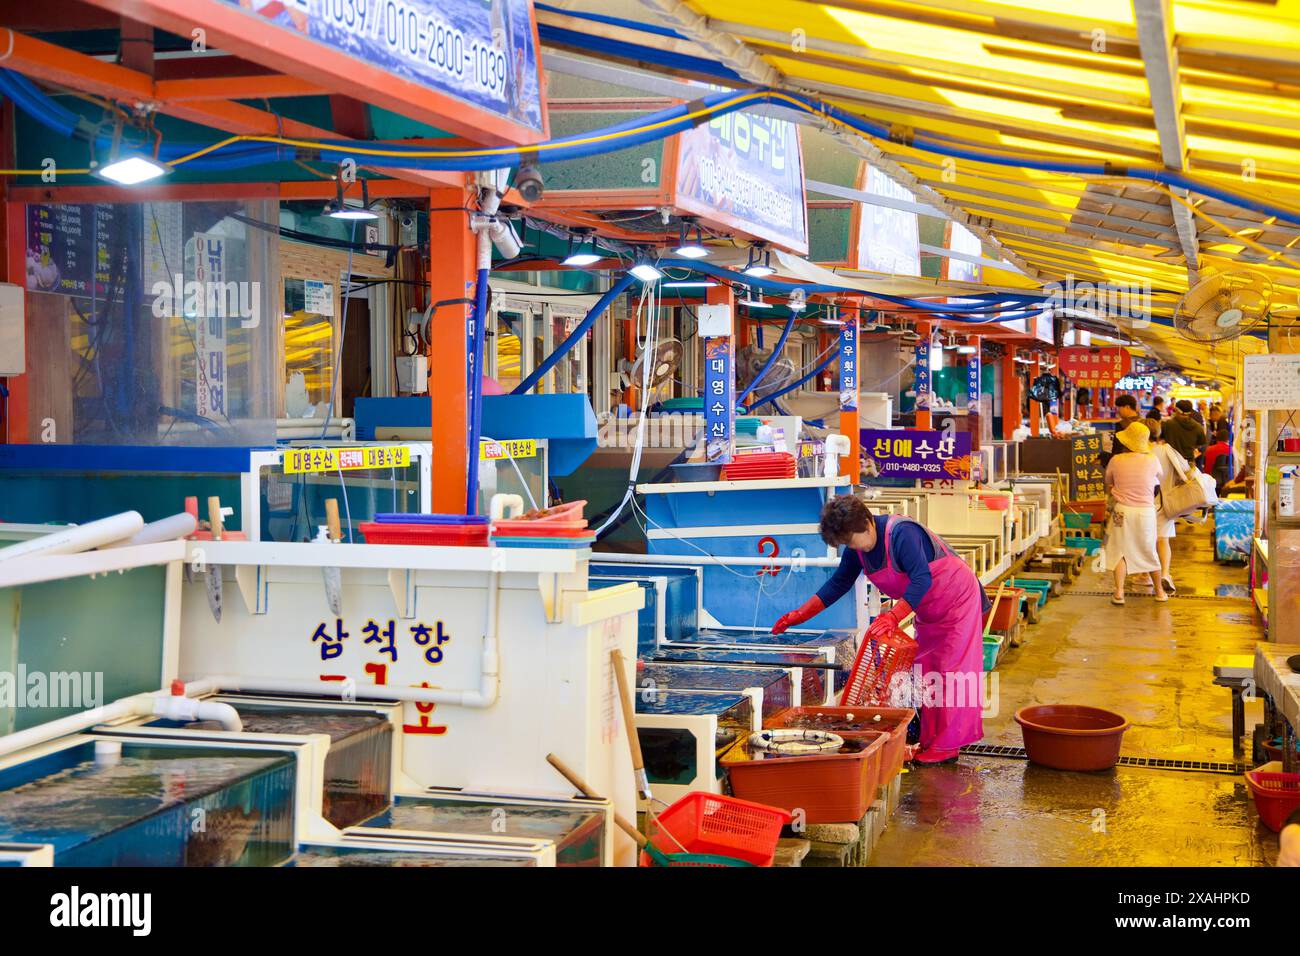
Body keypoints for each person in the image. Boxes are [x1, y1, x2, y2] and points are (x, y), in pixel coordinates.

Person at [772, 494, 987, 764]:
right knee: (926, 670)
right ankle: (932, 741)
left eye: (851, 540)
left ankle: (947, 747)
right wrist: (800, 615)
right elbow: (839, 583)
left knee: (950, 670)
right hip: (928, 607)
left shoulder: (902, 534)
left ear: (867, 523)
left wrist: (894, 617)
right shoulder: (858, 549)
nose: (852, 547)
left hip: (956, 597)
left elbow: (921, 579)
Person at [1103, 421, 1166, 605]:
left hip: (1121, 511)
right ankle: (1160, 592)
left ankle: (1119, 592)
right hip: (1146, 513)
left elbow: (1108, 480)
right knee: (1149, 550)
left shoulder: (1116, 460)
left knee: (1119, 550)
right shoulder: (1152, 459)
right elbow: (1159, 478)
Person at [1146, 417, 1188, 595]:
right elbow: (1185, 469)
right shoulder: (1166, 450)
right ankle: (1164, 573)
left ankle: (1146, 575)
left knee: (1145, 540)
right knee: (1163, 540)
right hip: (1166, 501)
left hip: (1143, 502)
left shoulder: (1141, 452)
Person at [1099, 394, 1142, 469]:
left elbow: (1117, 448)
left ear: (1127, 407)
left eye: (1119, 408)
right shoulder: (1143, 422)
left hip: (1123, 463)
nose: (1118, 411)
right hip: (1141, 462)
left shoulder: (1121, 425)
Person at [1161, 399, 1207, 466]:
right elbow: (1201, 443)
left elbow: (1161, 440)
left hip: (1170, 462)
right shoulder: (1198, 427)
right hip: (1188, 463)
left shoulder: (1168, 424)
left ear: (1177, 410)